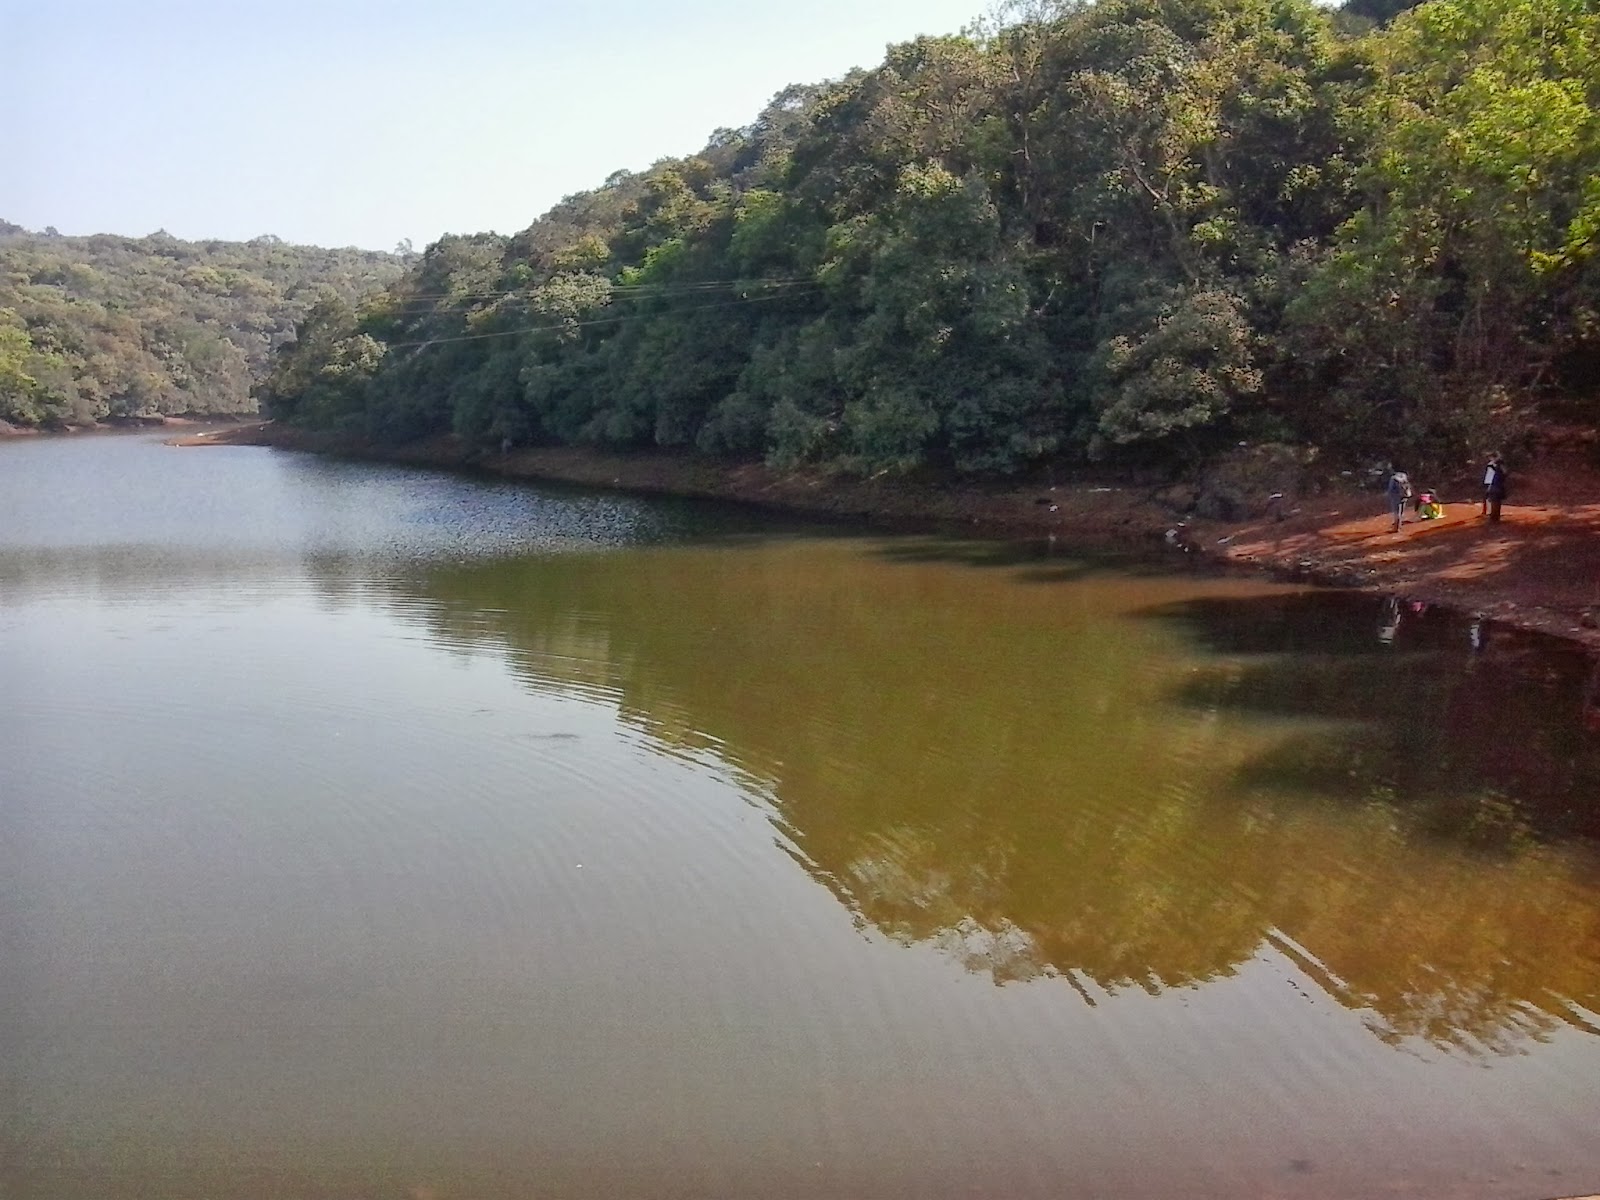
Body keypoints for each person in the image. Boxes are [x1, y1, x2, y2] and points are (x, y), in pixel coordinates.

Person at [1481, 453, 1508, 522]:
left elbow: (1504, 473)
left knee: (1494, 500)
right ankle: (1494, 516)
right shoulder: (1496, 466)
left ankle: (1494, 517)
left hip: (1495, 484)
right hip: (1496, 484)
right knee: (1495, 501)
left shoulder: (1496, 466)